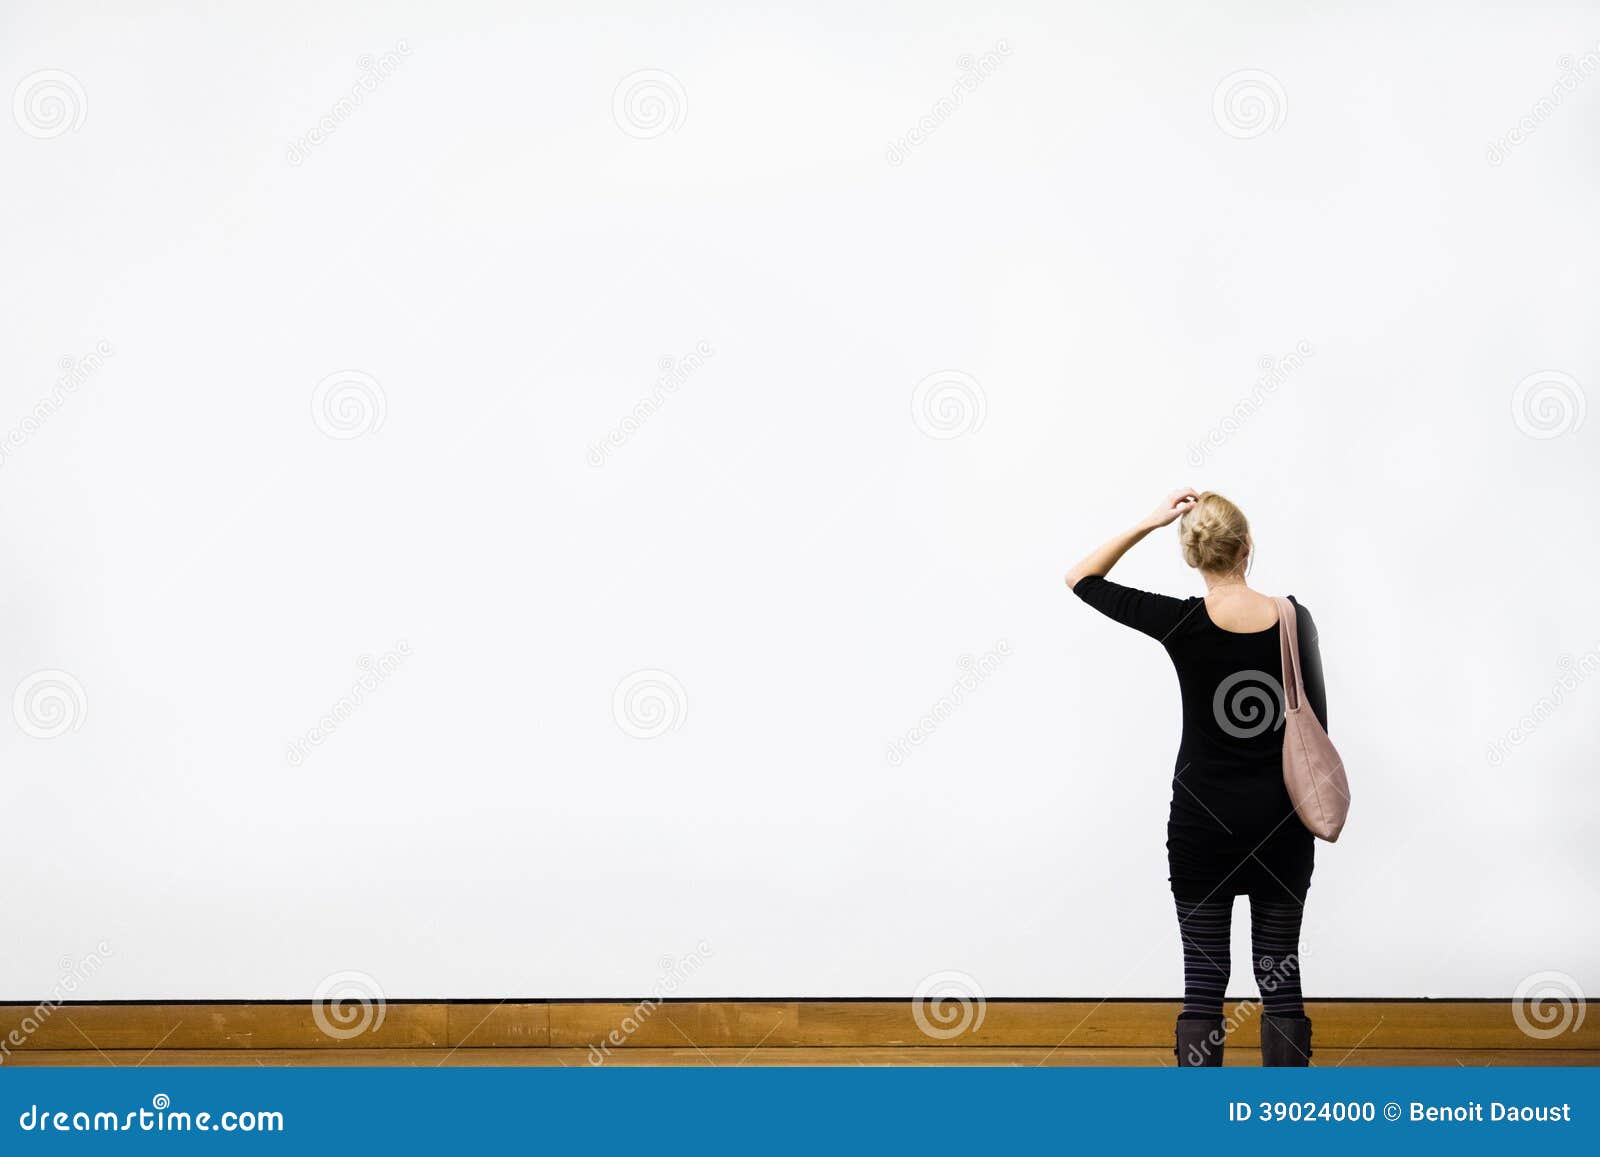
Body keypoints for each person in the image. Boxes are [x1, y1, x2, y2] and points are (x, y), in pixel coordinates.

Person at [1064, 489, 1328, 1066]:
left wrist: (1148, 523)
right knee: (1279, 971)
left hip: (1200, 824)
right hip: (1281, 824)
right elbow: (1318, 731)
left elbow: (1081, 579)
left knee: (1204, 980)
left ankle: (1200, 1127)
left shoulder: (1181, 621)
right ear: (1247, 547)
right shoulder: (1293, 619)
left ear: (1192, 556)